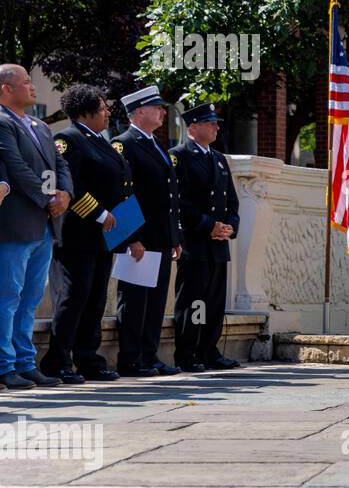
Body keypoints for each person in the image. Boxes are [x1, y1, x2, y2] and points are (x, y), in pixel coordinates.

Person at [39, 85, 132, 385]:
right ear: (84, 112)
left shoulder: (101, 141)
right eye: (102, 108)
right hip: (78, 234)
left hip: (103, 236)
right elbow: (70, 184)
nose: (108, 112)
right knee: (73, 296)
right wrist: (100, 213)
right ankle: (58, 360)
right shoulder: (68, 140)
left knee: (95, 298)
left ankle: (88, 358)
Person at [0, 64, 72, 390]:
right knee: (9, 295)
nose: (32, 87)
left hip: (44, 225)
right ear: (5, 89)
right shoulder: (2, 123)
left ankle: (25, 361)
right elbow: (15, 167)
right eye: (26, 82)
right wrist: (47, 198)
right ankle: (5, 364)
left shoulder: (40, 126)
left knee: (30, 297)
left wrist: (66, 193)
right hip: (17, 223)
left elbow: (60, 164)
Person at [113, 86, 183, 378]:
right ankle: (131, 359)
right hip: (140, 238)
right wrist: (131, 237)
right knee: (134, 301)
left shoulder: (157, 145)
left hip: (161, 237)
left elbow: (169, 195)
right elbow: (123, 193)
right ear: (139, 111)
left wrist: (175, 237)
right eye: (156, 107)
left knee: (154, 302)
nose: (162, 112)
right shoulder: (124, 143)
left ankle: (149, 355)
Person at [172, 104, 241, 373]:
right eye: (210, 122)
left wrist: (230, 227)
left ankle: (209, 350)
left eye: (216, 122)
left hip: (218, 245)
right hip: (196, 243)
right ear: (193, 127)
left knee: (213, 302)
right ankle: (188, 353)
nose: (216, 126)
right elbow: (180, 202)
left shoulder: (219, 159)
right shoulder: (179, 156)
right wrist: (207, 225)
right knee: (194, 302)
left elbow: (231, 202)